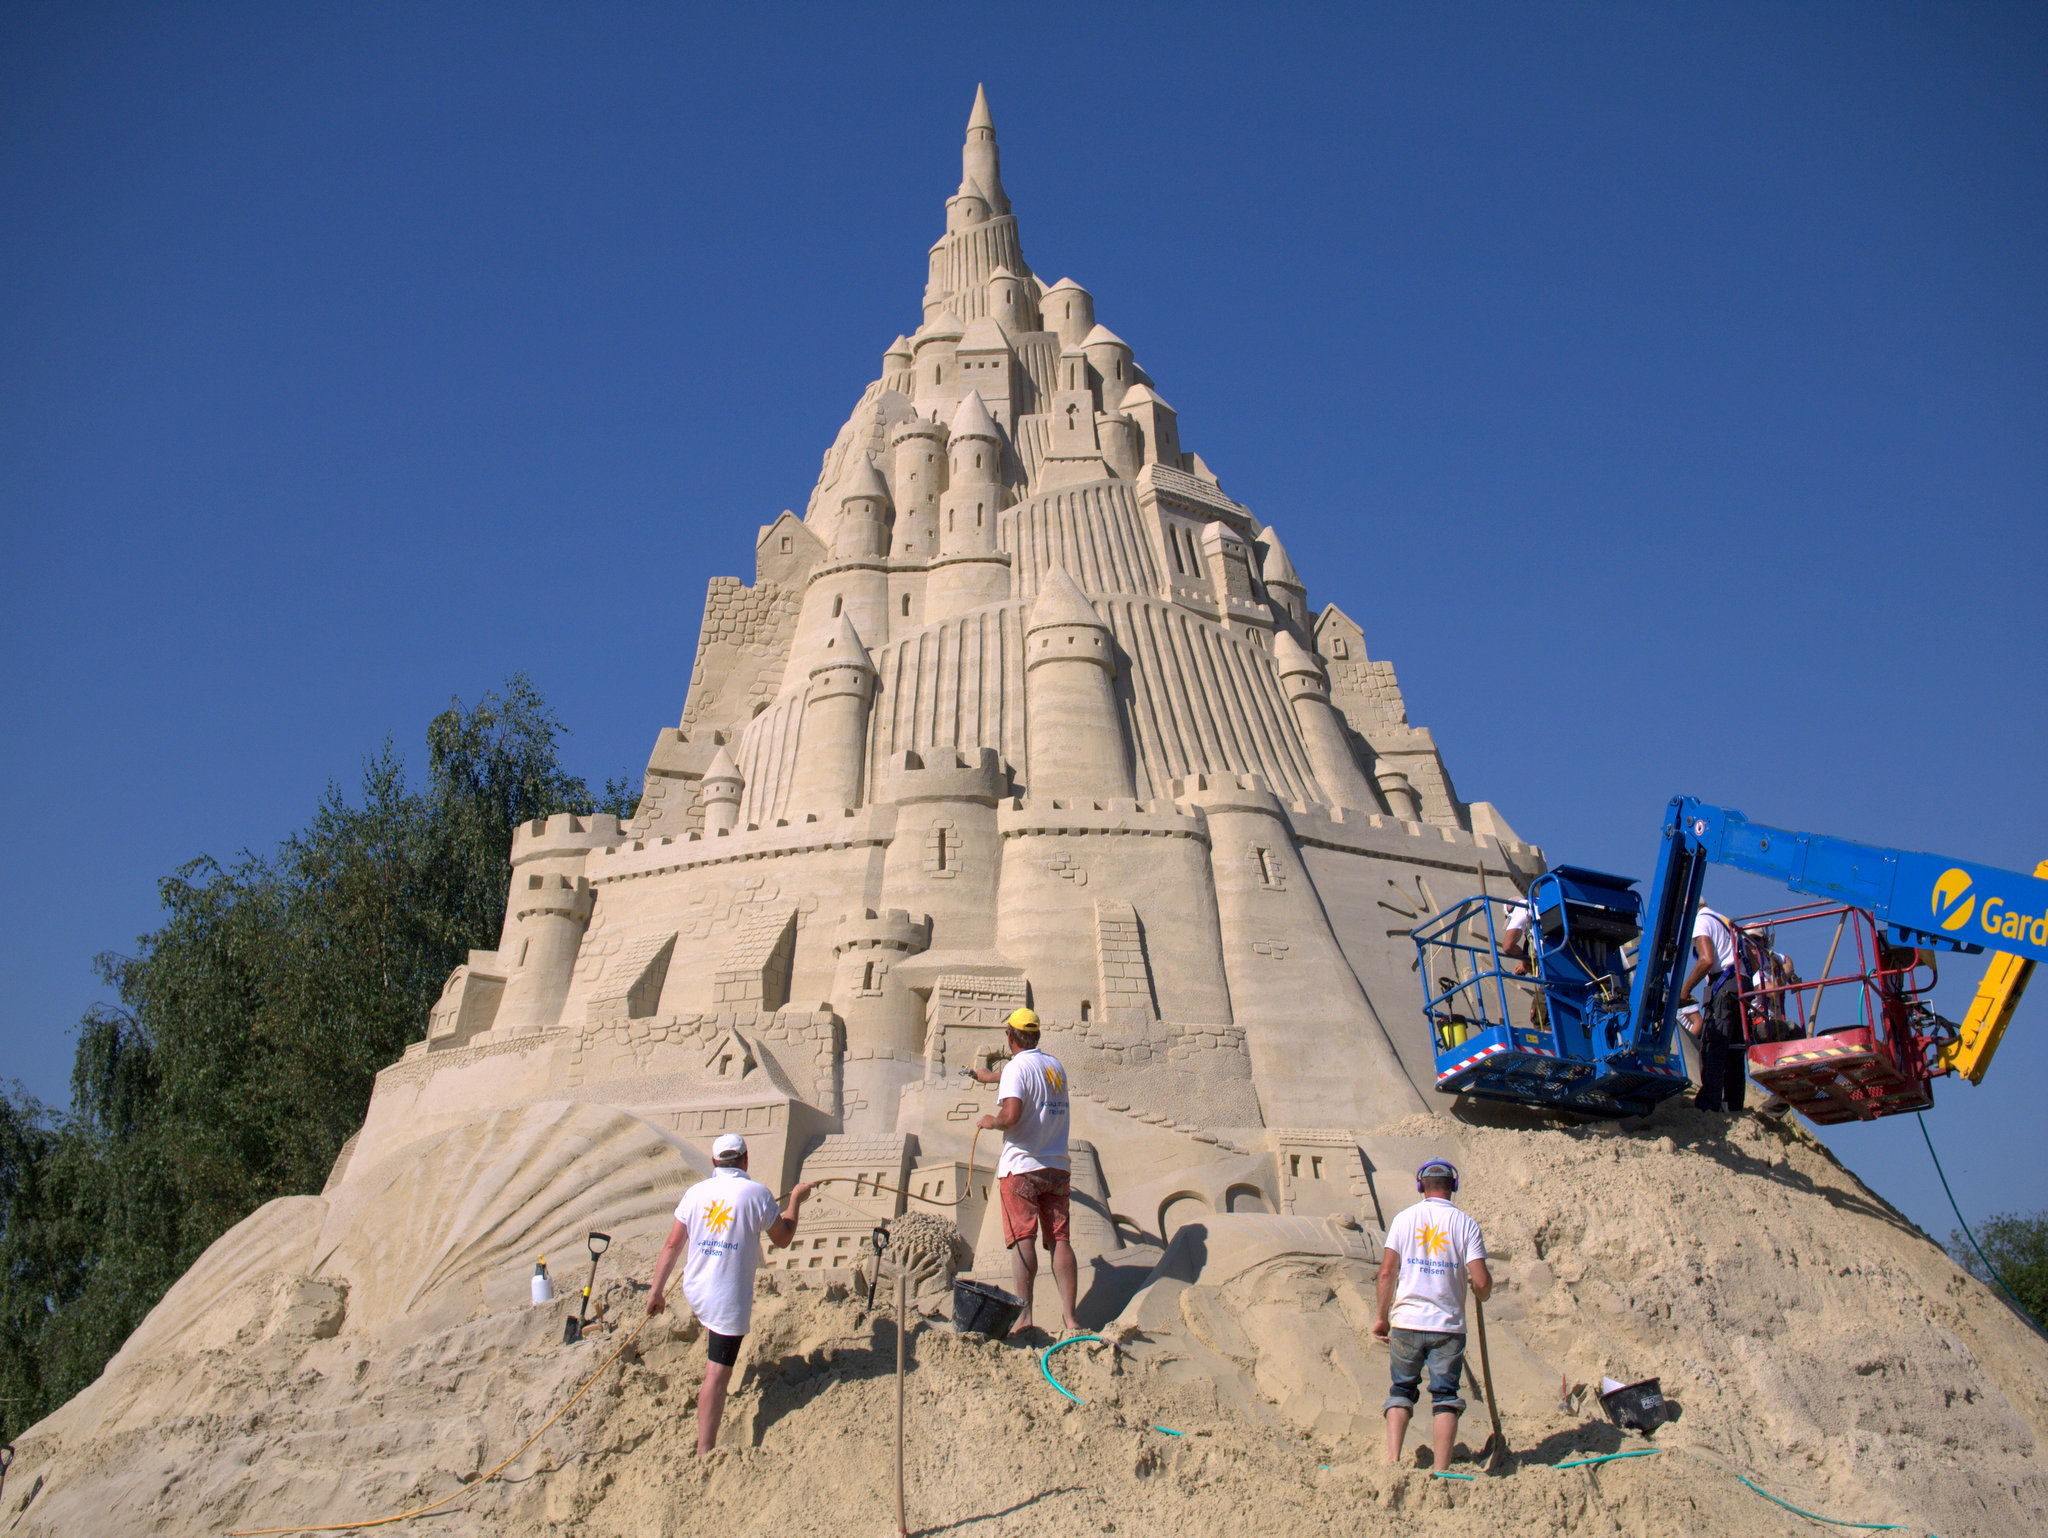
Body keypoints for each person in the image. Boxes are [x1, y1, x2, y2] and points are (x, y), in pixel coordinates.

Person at [645, 1133, 814, 1454]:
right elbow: (783, 1238)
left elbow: (672, 1245)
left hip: (696, 1287)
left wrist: (656, 1292)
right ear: (745, 1159)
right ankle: (704, 1449)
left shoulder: (696, 1193)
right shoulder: (757, 1193)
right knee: (717, 1375)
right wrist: (795, 1200)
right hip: (726, 1297)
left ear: (714, 1162)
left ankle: (705, 1437)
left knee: (715, 1344)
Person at [1372, 1159, 1491, 1471]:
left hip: (1407, 1321)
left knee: (1401, 1390)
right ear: (1453, 1186)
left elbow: (1387, 1273)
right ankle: (1441, 1469)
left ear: (1420, 1186)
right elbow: (1481, 1283)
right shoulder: (1466, 1224)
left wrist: (1382, 1317)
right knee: (1445, 1396)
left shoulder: (1403, 1219)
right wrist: (1483, 1292)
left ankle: (1393, 1460)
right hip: (1447, 1326)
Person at [973, 1007, 1080, 1338]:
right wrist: (989, 1078)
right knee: (1060, 1240)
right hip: (1056, 1165)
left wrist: (991, 1122)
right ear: (1036, 1035)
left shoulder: (1015, 1068)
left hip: (1021, 1166)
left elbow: (1012, 1115)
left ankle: (1025, 1316)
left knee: (1024, 1239)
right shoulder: (1055, 1066)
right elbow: (1029, 1081)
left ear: (1010, 1036)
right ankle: (1071, 1319)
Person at [1681, 903, 1747, 1112]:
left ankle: (1708, 1105)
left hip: (1724, 986)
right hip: (1741, 986)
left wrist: (1685, 990)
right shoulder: (1722, 920)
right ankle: (1734, 1107)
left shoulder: (1701, 921)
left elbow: (1706, 959)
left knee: (1713, 1046)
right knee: (1734, 1050)